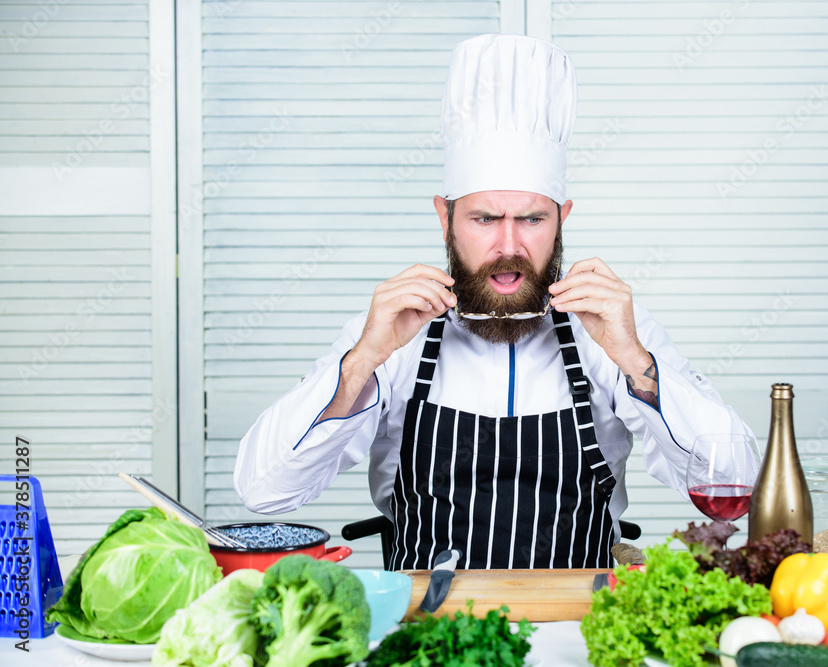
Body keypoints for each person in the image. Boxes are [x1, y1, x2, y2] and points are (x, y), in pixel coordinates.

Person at [234, 33, 754, 570]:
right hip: (425, 634)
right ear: (445, 220)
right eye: (484, 219)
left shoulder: (612, 330)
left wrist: (638, 364)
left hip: (583, 632)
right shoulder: (392, 335)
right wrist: (362, 360)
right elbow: (264, 491)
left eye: (532, 219)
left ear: (562, 220)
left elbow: (737, 480)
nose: (509, 246)